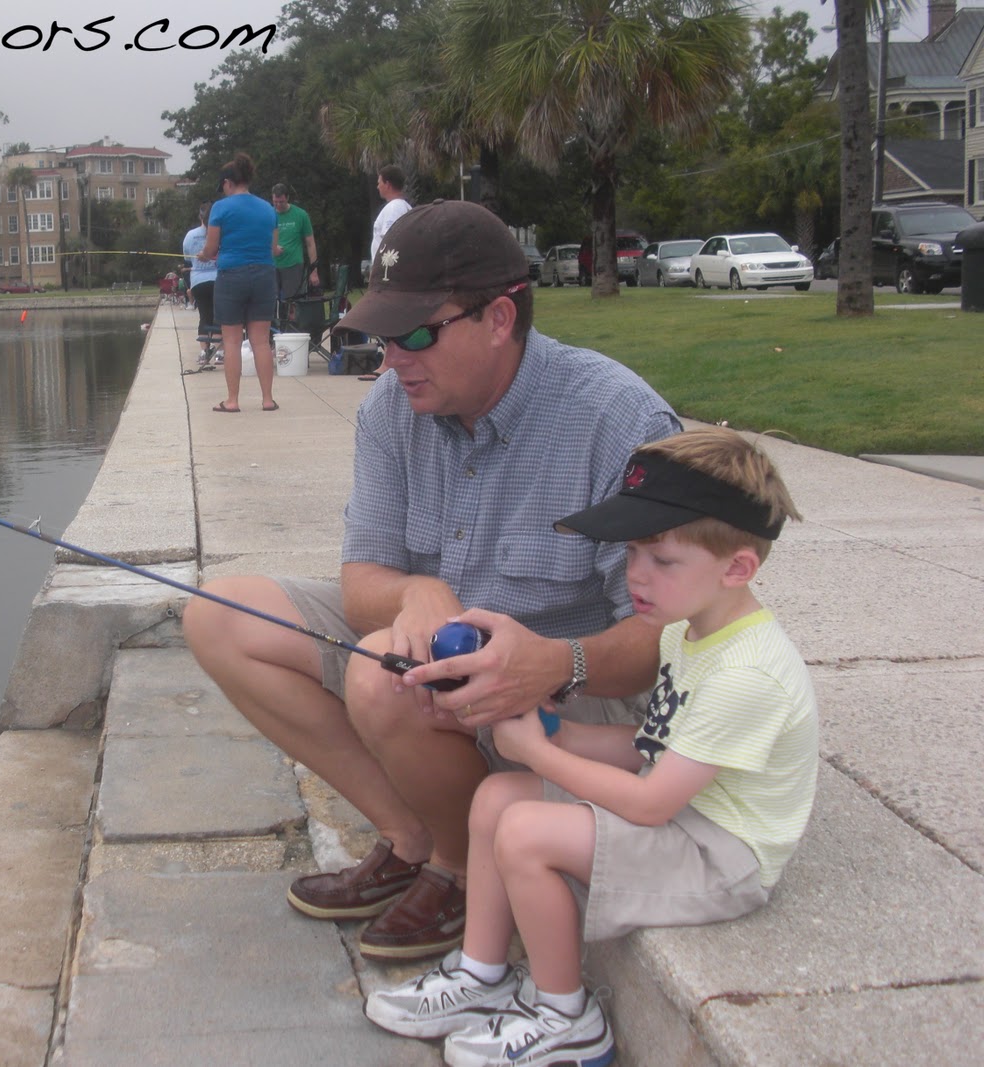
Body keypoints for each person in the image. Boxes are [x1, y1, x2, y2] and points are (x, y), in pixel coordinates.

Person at [182, 200, 681, 961]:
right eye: (382, 334)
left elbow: (672, 638)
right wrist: (419, 593)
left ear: (500, 318)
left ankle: (462, 872)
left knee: (383, 674)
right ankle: (415, 838)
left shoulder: (616, 420)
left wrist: (554, 661)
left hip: (568, 699)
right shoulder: (392, 407)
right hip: (439, 675)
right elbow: (361, 579)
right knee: (220, 614)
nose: (393, 357)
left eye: (416, 333)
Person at [367, 426, 817, 1067]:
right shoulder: (685, 633)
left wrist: (540, 754)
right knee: (498, 795)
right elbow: (650, 744)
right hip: (688, 814)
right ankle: (481, 973)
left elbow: (653, 801)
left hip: (722, 855)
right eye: (633, 552)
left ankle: (567, 1018)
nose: (637, 575)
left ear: (738, 567)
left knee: (525, 830)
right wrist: (553, 728)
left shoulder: (746, 674)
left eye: (663, 561)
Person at [200, 153, 279, 413]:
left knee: (232, 340)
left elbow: (211, 249)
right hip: (265, 275)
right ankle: (267, 399)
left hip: (232, 275)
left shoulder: (221, 208)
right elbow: (272, 247)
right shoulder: (268, 208)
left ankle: (232, 400)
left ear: (227, 183)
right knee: (261, 340)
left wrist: (203, 254)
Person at [182, 203, 220, 366]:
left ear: (200, 217)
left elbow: (187, 259)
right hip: (219, 280)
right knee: (220, 316)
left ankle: (204, 352)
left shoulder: (190, 235)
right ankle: (220, 353)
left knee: (204, 315)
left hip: (198, 281)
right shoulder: (220, 234)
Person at [270, 183, 319, 303]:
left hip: (293, 265)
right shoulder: (268, 215)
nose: (278, 205)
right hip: (271, 265)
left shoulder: (300, 215)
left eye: (281, 202)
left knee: (294, 302)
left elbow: (310, 243)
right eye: (275, 202)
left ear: (287, 198)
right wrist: (273, 248)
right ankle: (276, 321)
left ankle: (293, 321)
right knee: (271, 302)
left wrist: (314, 271)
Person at [371, 165, 412, 263]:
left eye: (379, 183)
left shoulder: (394, 208)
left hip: (387, 270)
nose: (377, 187)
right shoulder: (405, 206)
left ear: (387, 184)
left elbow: (390, 239)